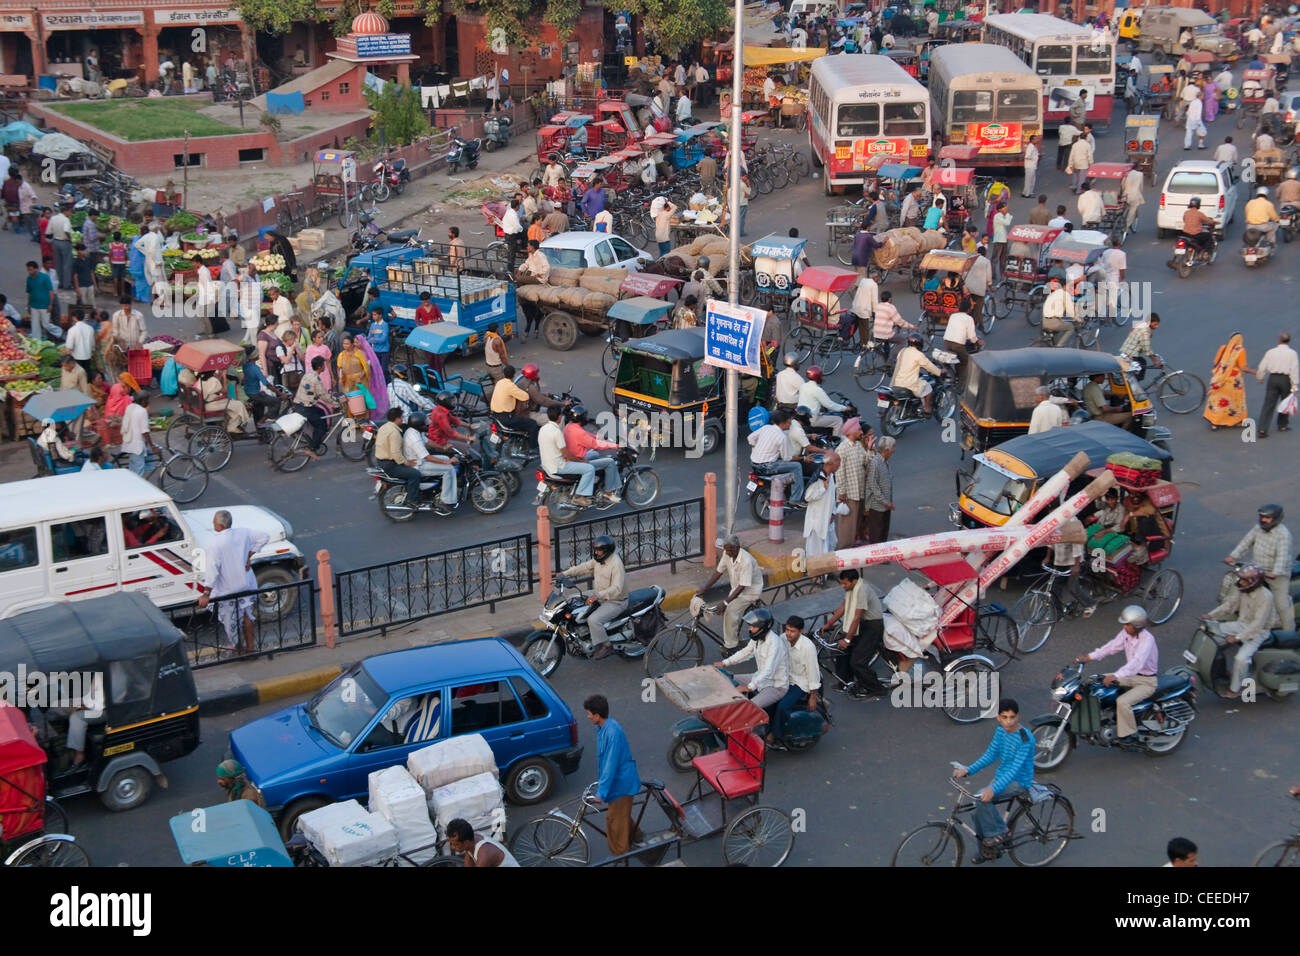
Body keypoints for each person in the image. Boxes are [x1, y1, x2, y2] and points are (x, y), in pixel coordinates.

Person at [952, 698, 1037, 863]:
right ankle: (986, 850)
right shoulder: (1000, 732)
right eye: (1004, 717)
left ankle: (1001, 832)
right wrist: (968, 770)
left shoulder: (1025, 738)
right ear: (998, 717)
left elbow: (1014, 770)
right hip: (1002, 777)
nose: (1008, 721)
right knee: (977, 810)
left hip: (1019, 781)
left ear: (1018, 717)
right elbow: (990, 755)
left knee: (981, 797)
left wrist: (993, 789)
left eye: (1012, 717)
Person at [1074, 605, 1158, 746]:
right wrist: (1089, 657)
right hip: (1131, 675)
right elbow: (1111, 647)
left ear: (1137, 625)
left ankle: (1130, 734)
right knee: (1094, 680)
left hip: (1147, 681)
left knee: (1123, 702)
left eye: (1127, 624)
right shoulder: (1126, 634)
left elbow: (1137, 663)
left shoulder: (1147, 640)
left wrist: (1116, 676)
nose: (1124, 627)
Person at [196, 510, 270, 654]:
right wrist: (249, 554)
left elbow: (212, 570)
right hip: (246, 584)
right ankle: (251, 648)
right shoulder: (243, 533)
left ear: (220, 525)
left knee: (230, 622)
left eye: (214, 522)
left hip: (228, 589)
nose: (213, 524)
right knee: (246, 615)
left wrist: (206, 594)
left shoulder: (214, 543)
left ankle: (239, 649)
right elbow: (264, 536)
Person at [1202, 565, 1280, 698]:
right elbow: (1230, 605)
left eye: (1244, 580)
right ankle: (1221, 671)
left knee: (1241, 659)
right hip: (1242, 624)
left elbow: (1257, 624)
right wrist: (1211, 615)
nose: (1240, 582)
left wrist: (1237, 638)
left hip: (1258, 632)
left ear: (1253, 582)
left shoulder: (1266, 597)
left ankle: (1236, 688)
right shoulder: (1243, 589)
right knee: (1212, 634)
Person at [584, 694, 643, 857]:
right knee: (620, 816)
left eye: (589, 713)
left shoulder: (612, 733)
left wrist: (601, 793)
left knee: (615, 823)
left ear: (597, 715)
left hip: (621, 784)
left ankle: (621, 855)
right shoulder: (603, 728)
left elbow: (610, 765)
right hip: (616, 783)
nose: (588, 717)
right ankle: (637, 836)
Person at [1222, 504, 1295, 631]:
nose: (1263, 520)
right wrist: (1233, 556)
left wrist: (1275, 573)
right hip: (1256, 570)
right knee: (1238, 588)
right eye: (1261, 517)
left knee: (1281, 605)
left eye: (1267, 518)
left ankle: (1290, 633)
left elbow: (1282, 558)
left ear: (1276, 518)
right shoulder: (1258, 528)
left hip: (1275, 574)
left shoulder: (1283, 535)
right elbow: (1246, 542)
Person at [820, 568, 888, 698]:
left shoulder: (861, 590)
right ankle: (845, 683)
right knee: (840, 651)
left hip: (872, 626)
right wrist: (829, 624)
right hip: (862, 624)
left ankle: (876, 689)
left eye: (845, 583)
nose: (843, 586)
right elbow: (843, 607)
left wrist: (847, 640)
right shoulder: (851, 589)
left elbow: (856, 617)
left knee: (857, 662)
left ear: (854, 581)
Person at [716, 607, 791, 719]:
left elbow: (768, 671)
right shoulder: (757, 638)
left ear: (763, 628)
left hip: (775, 686)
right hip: (758, 677)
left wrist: (749, 687)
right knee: (727, 680)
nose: (750, 629)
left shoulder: (775, 644)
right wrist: (725, 663)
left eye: (753, 626)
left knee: (747, 708)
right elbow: (746, 652)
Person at [561, 535, 628, 660]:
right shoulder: (598, 560)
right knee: (572, 599)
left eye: (599, 550)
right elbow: (584, 567)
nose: (596, 552)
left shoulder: (616, 564)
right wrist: (565, 574)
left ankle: (606, 645)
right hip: (599, 594)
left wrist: (597, 595)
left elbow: (617, 588)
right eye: (595, 550)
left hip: (615, 601)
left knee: (594, 620)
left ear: (606, 551)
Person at [696, 535, 765, 649]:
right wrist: (705, 588)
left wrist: (725, 603)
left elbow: (742, 586)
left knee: (730, 612)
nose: (727, 552)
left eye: (730, 550)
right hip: (736, 588)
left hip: (750, 592)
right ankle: (733, 635)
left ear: (737, 547)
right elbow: (718, 572)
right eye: (726, 550)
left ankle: (731, 645)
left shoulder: (746, 561)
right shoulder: (727, 554)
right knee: (725, 609)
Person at [748, 408, 806, 503]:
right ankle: (796, 499)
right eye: (789, 423)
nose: (790, 424)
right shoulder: (782, 437)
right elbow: (787, 458)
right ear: (783, 423)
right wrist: (802, 458)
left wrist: (756, 447)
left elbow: (750, 438)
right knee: (797, 466)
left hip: (754, 464)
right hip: (767, 467)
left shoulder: (766, 427)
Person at [402, 412, 457, 507]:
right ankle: (447, 500)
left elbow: (428, 442)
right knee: (449, 469)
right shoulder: (414, 438)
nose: (428, 425)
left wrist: (442, 448)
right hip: (418, 465)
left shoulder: (414, 431)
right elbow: (427, 457)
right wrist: (447, 462)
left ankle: (441, 487)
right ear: (419, 425)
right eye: (425, 423)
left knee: (446, 457)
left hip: (419, 460)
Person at [1254, 331, 1299, 437]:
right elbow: (1294, 370)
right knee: (1286, 402)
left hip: (1273, 379)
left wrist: (1260, 378)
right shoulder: (1292, 353)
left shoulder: (1271, 352)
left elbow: (1262, 367)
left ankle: (1262, 429)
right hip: (1286, 380)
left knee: (1268, 404)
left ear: (1278, 340)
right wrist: (1295, 385)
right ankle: (1282, 425)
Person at [374, 407, 421, 505]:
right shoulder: (394, 433)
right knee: (415, 474)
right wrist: (406, 463)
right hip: (390, 465)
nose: (402, 419)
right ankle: (412, 501)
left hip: (381, 461)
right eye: (401, 417)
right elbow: (395, 452)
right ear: (397, 419)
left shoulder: (384, 427)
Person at [1202, 331, 1250, 429]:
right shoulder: (1240, 350)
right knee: (1235, 402)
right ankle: (1237, 421)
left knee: (1218, 402)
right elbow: (1243, 368)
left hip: (1220, 380)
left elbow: (1216, 362)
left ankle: (1214, 423)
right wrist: (1255, 372)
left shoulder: (1223, 348)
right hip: (1233, 382)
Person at [891, 334, 942, 416]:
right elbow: (930, 367)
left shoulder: (903, 351)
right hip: (909, 384)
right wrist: (940, 371)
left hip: (897, 381)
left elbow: (906, 364)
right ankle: (927, 408)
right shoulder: (919, 355)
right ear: (920, 344)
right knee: (928, 388)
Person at [862, 435, 896, 544]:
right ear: (886, 450)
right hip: (877, 506)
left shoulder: (884, 461)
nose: (894, 450)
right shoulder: (875, 463)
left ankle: (883, 555)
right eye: (893, 447)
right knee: (877, 532)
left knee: (884, 531)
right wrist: (884, 501)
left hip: (885, 505)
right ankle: (877, 557)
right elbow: (873, 485)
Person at [446, 817, 518, 867]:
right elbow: (468, 863)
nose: (452, 847)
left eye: (456, 844)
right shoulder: (471, 841)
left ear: (466, 842)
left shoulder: (484, 854)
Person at [797, 366, 849, 433]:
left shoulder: (803, 386)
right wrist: (845, 408)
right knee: (838, 420)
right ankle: (836, 440)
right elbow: (830, 405)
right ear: (818, 377)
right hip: (812, 420)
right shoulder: (817, 390)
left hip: (803, 416)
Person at [942, 309, 982, 380]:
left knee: (958, 358)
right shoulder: (969, 319)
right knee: (965, 361)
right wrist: (977, 341)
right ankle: (961, 383)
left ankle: (956, 375)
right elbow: (972, 337)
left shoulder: (953, 315)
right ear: (969, 309)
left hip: (946, 342)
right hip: (957, 345)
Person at [1066, 127, 1094, 193]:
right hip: (1083, 164)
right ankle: (1079, 190)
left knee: (1075, 175)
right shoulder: (1087, 145)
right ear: (1086, 137)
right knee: (1082, 178)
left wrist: (1070, 164)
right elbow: (1089, 155)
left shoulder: (1075, 145)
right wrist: (1091, 163)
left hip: (1076, 163)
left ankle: (1074, 185)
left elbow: (1071, 155)